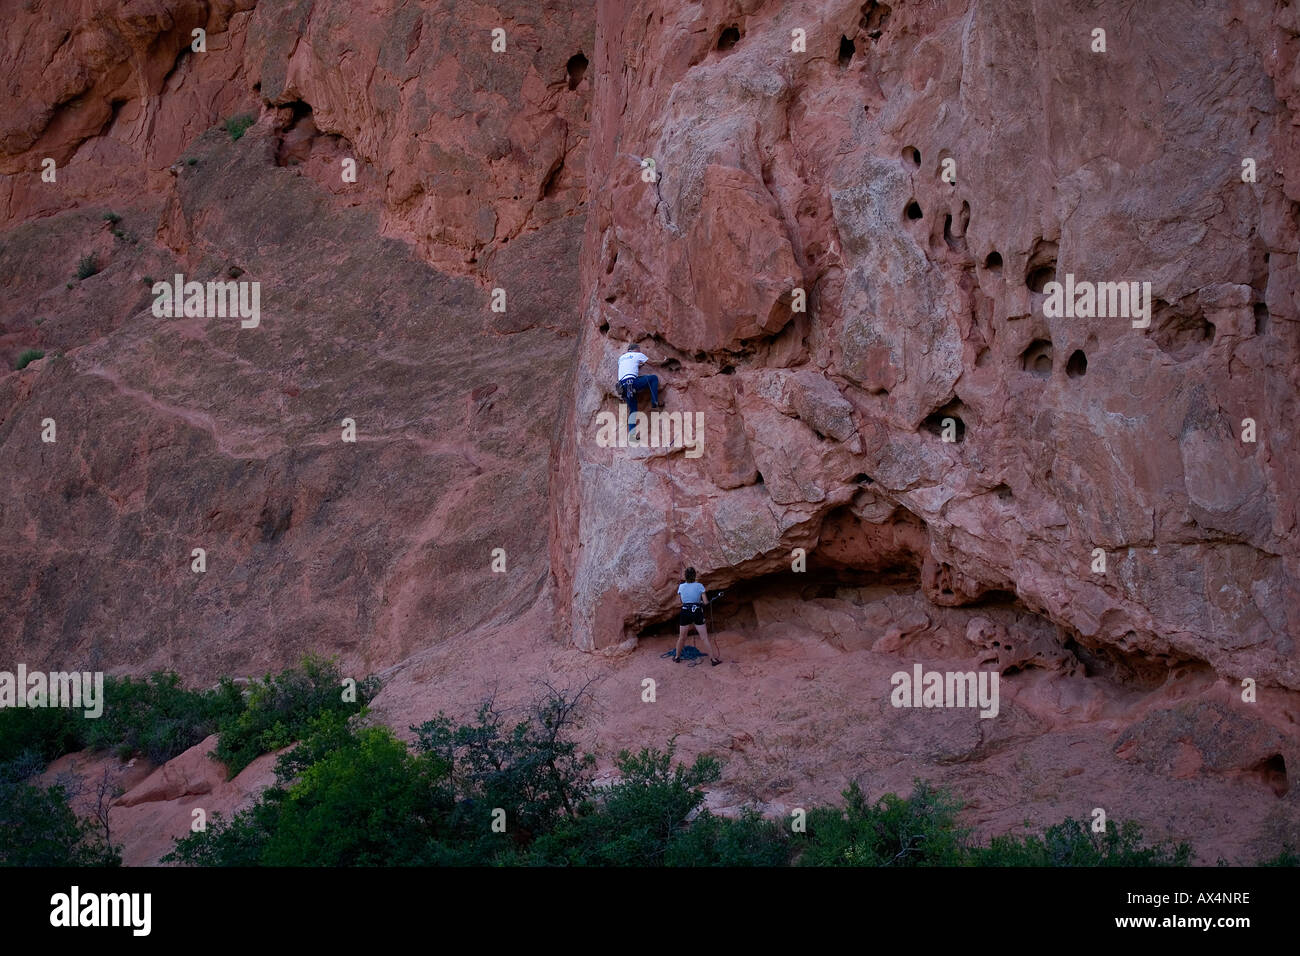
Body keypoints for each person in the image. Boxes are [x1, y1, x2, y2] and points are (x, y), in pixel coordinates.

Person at [674, 567, 721, 666]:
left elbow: (680, 602)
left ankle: (677, 657)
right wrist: (699, 601)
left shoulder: (681, 587)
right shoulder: (700, 586)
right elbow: (706, 602)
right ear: (695, 576)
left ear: (685, 576)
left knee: (682, 637)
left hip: (685, 611)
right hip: (697, 611)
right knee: (704, 637)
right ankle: (713, 660)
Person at [617, 345, 662, 435]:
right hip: (633, 383)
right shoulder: (638, 354)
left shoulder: (621, 358)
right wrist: (663, 361)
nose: (640, 351)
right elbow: (652, 362)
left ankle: (632, 435)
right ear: (636, 350)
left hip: (622, 387)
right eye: (639, 350)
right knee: (653, 378)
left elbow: (628, 367)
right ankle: (654, 402)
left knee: (633, 410)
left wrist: (637, 365)